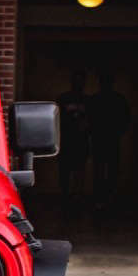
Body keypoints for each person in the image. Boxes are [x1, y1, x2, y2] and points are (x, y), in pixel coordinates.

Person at [89, 73, 131, 207]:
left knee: (106, 170)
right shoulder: (116, 99)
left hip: (106, 138)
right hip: (105, 138)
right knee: (104, 170)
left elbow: (125, 119)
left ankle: (106, 198)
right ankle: (104, 198)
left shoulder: (98, 99)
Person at [57, 71, 91, 211]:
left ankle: (78, 197)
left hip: (81, 140)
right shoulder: (63, 98)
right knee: (64, 170)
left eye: (81, 81)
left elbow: (92, 120)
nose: (78, 84)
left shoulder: (88, 100)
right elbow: (57, 118)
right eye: (76, 81)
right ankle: (64, 197)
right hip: (65, 140)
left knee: (79, 171)